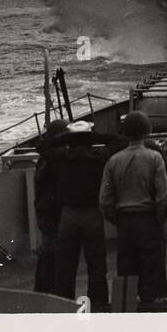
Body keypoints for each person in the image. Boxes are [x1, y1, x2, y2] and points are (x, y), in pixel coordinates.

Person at [99, 110, 167, 305]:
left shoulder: (113, 161)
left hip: (125, 222)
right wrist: (158, 220)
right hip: (149, 220)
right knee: (153, 272)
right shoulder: (155, 158)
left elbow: (105, 200)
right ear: (147, 130)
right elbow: (163, 197)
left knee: (127, 272)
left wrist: (117, 219)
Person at [53, 122, 111, 310]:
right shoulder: (98, 157)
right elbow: (120, 142)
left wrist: (67, 138)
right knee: (96, 265)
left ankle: (64, 305)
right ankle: (98, 304)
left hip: (68, 215)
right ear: (89, 136)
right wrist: (94, 138)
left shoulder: (61, 157)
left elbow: (42, 147)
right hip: (92, 215)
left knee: (65, 267)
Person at [32, 119, 69, 295]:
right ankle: (48, 291)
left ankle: (42, 288)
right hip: (52, 213)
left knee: (48, 253)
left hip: (44, 211)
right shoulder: (53, 161)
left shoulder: (44, 160)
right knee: (52, 253)